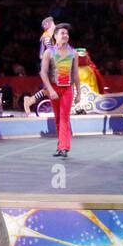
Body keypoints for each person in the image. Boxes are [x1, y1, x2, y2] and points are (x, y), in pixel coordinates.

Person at [39, 23, 78, 158]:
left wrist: (78, 92)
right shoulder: (49, 52)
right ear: (55, 36)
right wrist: (51, 90)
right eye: (62, 33)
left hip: (67, 89)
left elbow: (76, 74)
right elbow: (43, 73)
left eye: (67, 33)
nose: (65, 35)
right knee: (58, 118)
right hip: (54, 88)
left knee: (64, 118)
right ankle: (61, 145)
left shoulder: (73, 53)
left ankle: (64, 147)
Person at [23, 16, 56, 117]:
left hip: (48, 65)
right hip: (48, 66)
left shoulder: (48, 37)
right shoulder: (47, 37)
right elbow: (50, 53)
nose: (55, 26)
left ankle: (29, 100)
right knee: (50, 88)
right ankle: (29, 101)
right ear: (48, 25)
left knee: (48, 90)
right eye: (53, 24)